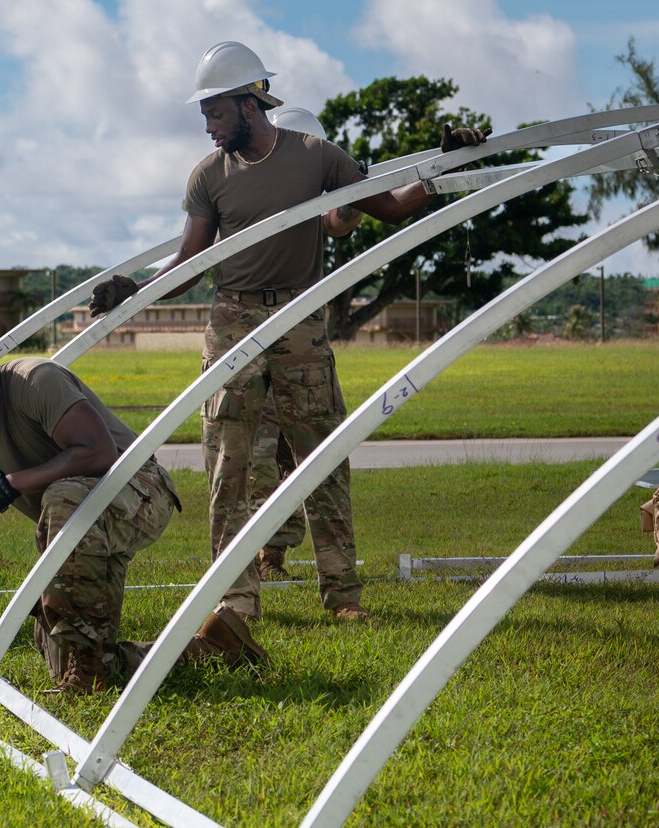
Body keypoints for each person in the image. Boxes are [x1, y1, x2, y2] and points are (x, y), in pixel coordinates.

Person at [90, 42, 486, 630]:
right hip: (232, 323)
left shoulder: (316, 156)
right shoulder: (208, 177)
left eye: (216, 111)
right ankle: (235, 599)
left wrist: (445, 164)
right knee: (229, 465)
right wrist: (133, 289)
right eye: (204, 113)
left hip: (301, 321)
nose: (207, 126)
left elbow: (392, 208)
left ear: (251, 104)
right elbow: (189, 264)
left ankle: (343, 593)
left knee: (321, 458)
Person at [0, 313, 266, 695]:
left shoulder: (35, 381)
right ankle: (215, 647)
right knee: (76, 659)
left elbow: (99, 452)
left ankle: (88, 667)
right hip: (77, 530)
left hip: (138, 488)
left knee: (62, 497)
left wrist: (9, 485)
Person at [251, 104, 361, 584]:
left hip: (300, 340)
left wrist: (356, 190)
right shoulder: (244, 185)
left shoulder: (310, 200)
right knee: (256, 459)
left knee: (316, 457)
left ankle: (338, 583)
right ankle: (265, 556)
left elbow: (339, 220)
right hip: (247, 341)